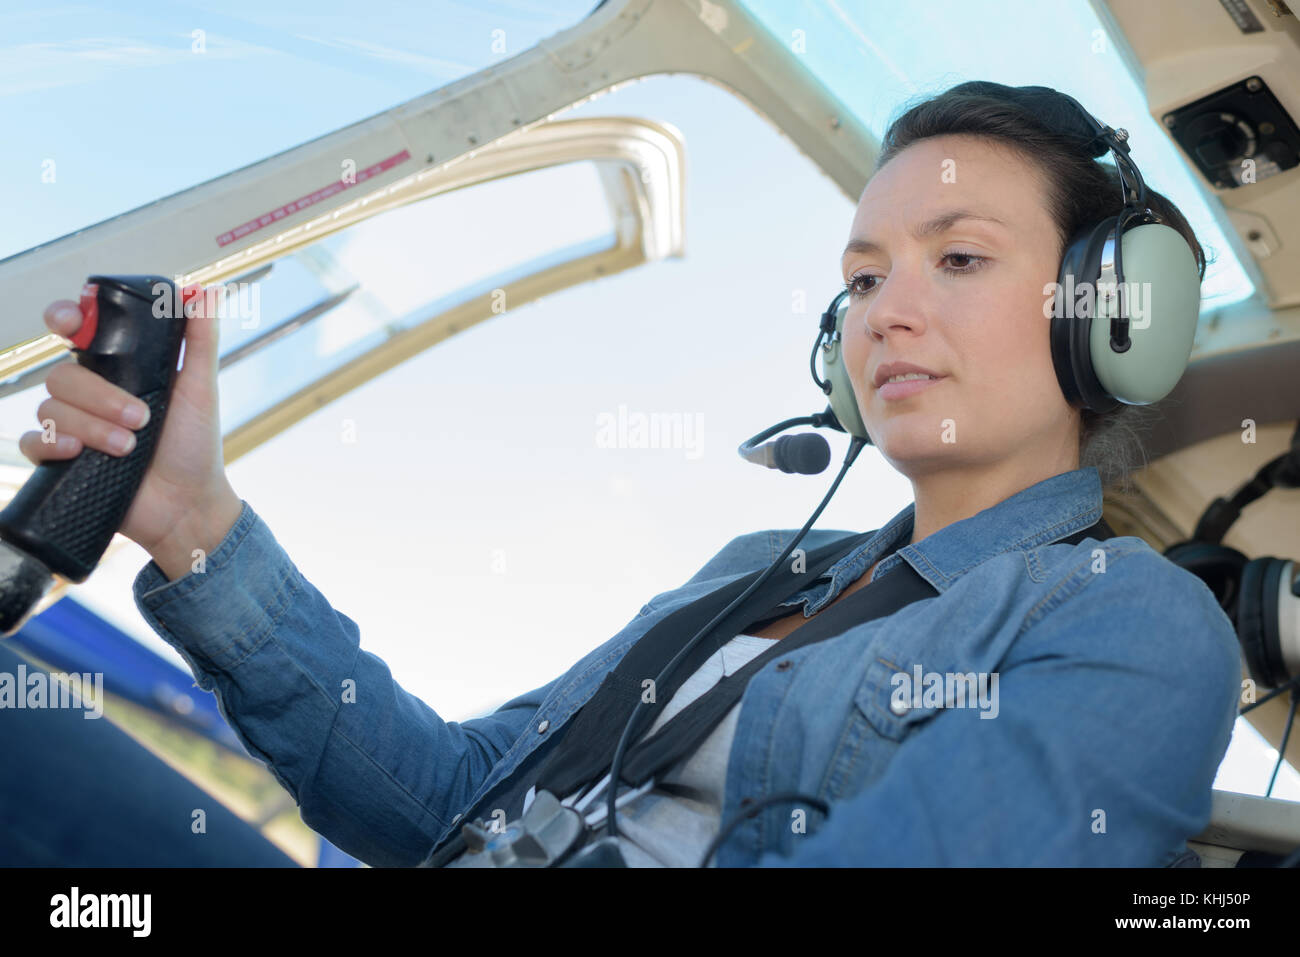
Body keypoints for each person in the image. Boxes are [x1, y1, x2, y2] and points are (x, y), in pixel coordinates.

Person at [24, 81, 1241, 867]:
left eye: (958, 257)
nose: (885, 315)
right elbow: (445, 800)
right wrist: (191, 515)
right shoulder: (756, 572)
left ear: (1111, 316)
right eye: (863, 278)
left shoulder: (1133, 624)